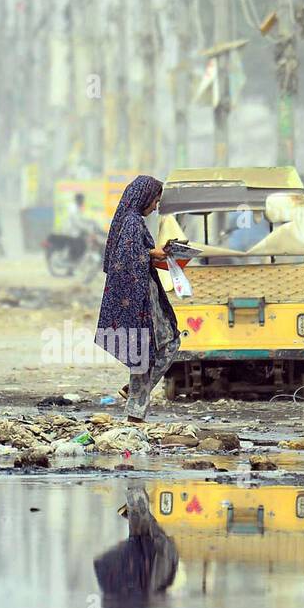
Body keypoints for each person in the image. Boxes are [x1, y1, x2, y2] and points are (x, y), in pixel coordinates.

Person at [95, 175, 179, 423]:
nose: (155, 207)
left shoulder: (131, 221)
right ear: (144, 197)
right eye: (155, 201)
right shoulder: (132, 221)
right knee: (152, 348)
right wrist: (155, 253)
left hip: (144, 291)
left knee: (157, 346)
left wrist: (160, 256)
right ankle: (135, 412)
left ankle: (135, 400)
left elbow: (132, 254)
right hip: (140, 295)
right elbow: (128, 257)